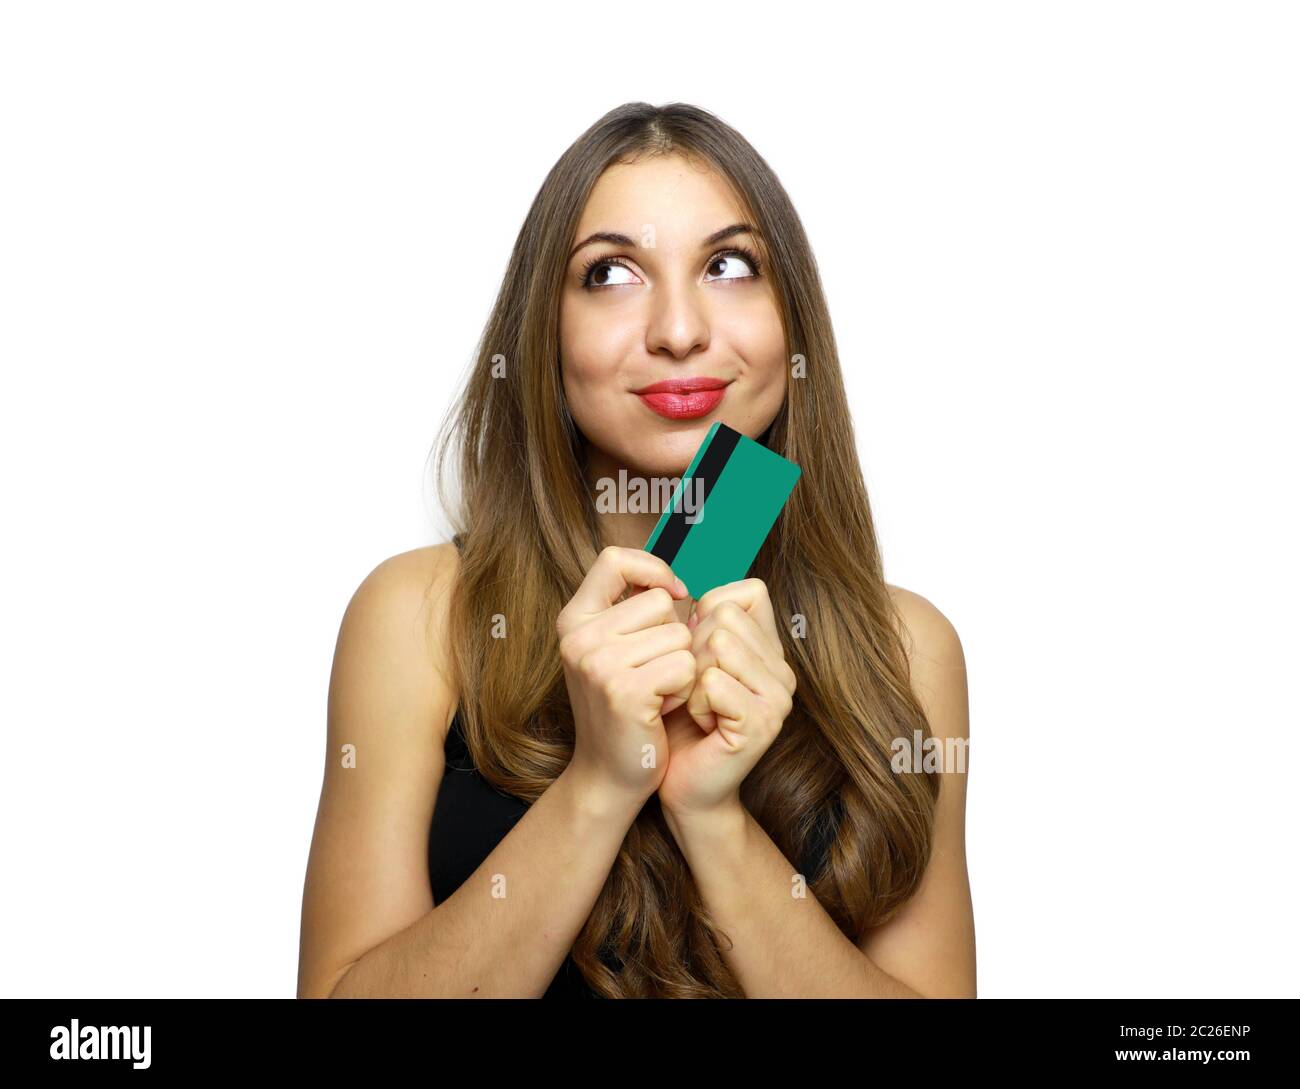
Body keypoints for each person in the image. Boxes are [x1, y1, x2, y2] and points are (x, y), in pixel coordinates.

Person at [297, 102, 975, 999]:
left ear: (792, 318)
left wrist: (712, 817)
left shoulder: (906, 648)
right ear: (545, 331)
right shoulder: (420, 616)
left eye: (729, 266)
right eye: (612, 273)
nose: (680, 330)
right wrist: (599, 785)